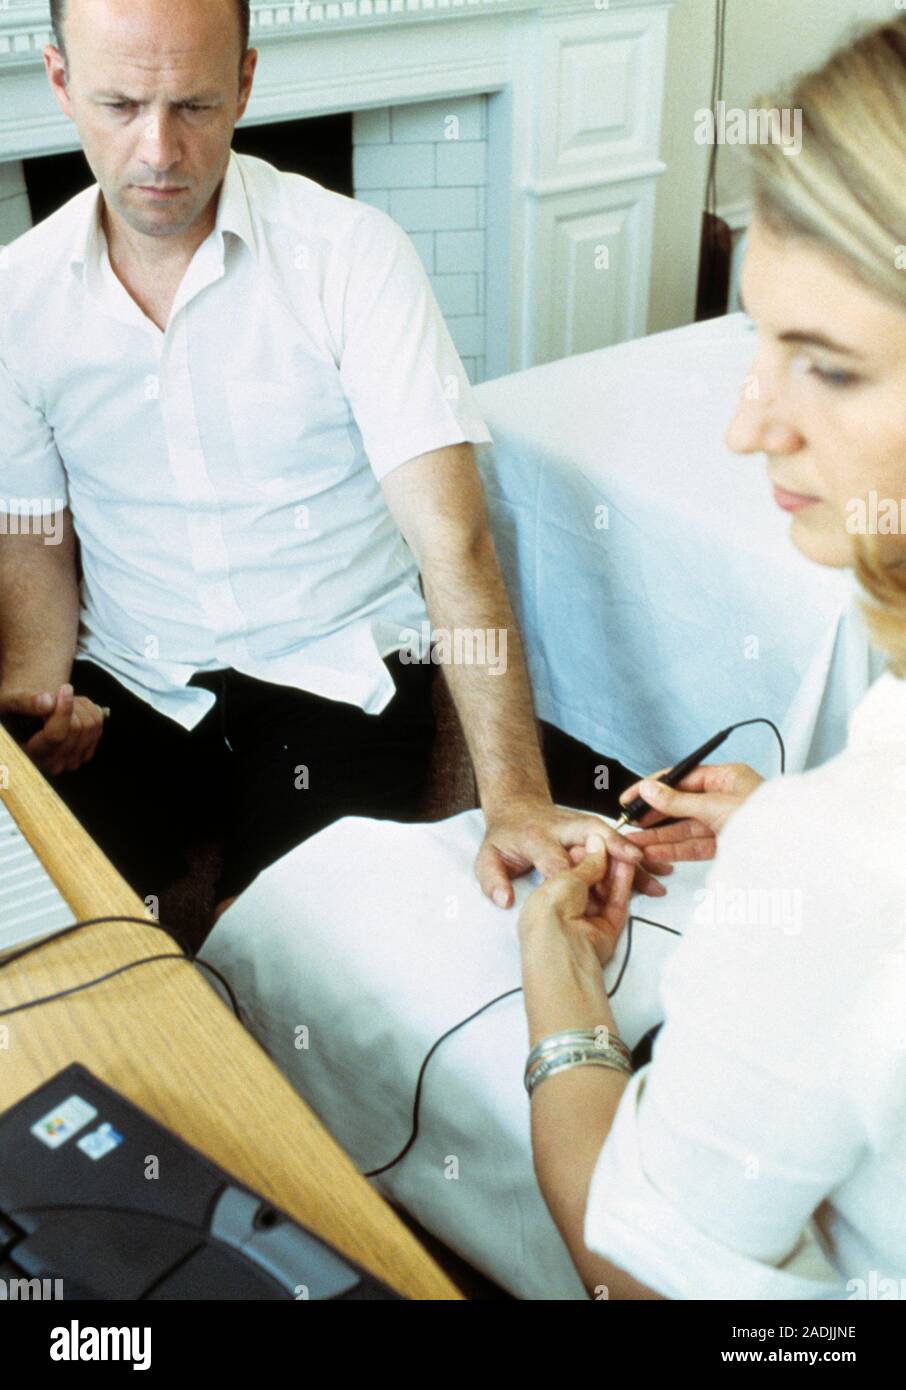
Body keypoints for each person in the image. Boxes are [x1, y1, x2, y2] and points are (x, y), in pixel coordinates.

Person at [0, 0, 663, 944]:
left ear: (245, 84)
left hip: (337, 672)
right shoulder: (17, 297)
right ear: (61, 82)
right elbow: (35, 537)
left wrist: (515, 794)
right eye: (120, 105)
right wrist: (40, 697)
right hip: (135, 683)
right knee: (63, 935)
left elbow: (454, 540)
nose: (159, 151)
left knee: (287, 947)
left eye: (194, 106)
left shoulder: (353, 254)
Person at [518, 14, 906, 1299]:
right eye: (757, 341)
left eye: (828, 368)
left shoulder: (849, 860)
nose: (749, 427)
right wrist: (792, 825)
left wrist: (559, 985)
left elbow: (632, 1274)